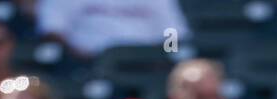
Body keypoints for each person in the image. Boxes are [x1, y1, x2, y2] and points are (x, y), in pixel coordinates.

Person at [35, 0, 189, 58]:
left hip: (145, 65)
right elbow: (52, 29)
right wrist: (75, 52)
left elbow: (174, 32)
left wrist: (166, 56)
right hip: (86, 63)